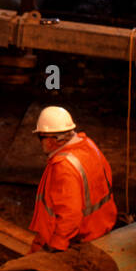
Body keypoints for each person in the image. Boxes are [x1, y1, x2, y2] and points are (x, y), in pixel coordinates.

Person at [29, 106, 117, 253]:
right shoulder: (87, 144)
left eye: (40, 137)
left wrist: (57, 244)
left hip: (81, 236)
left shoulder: (64, 167)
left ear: (51, 140)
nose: (41, 143)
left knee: (32, 260)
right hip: (101, 224)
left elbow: (70, 214)